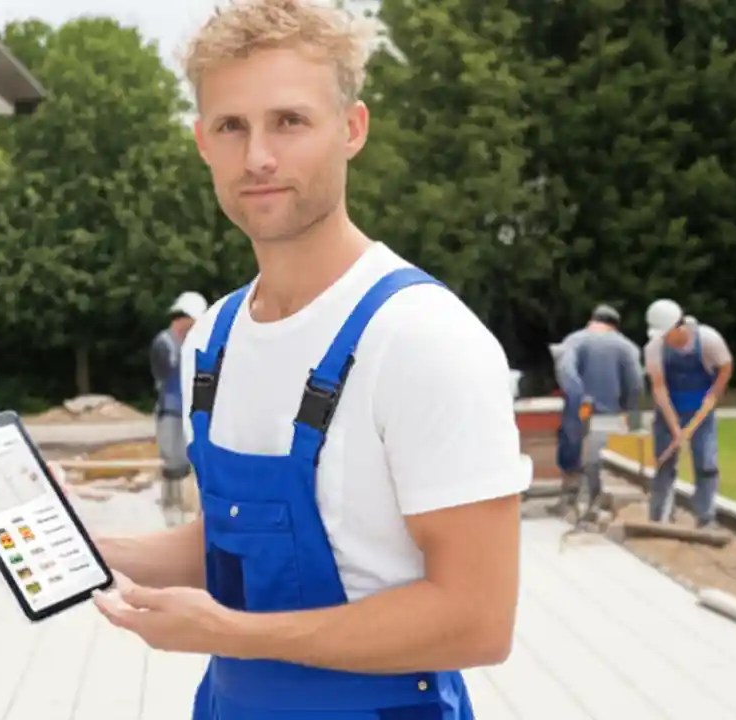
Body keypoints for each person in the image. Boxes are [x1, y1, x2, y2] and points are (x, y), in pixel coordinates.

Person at [90, 2, 529, 717]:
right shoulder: (212, 340)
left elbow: (477, 621)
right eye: (232, 126)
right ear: (202, 141)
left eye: (289, 121)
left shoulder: (423, 340)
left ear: (351, 129)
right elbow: (238, 542)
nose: (258, 156)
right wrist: (91, 551)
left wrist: (232, 633)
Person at [644, 298, 734, 527]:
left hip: (701, 412)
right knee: (664, 465)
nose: (663, 338)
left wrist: (713, 396)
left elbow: (725, 367)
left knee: (706, 464)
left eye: (666, 333)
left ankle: (705, 518)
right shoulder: (654, 347)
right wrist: (675, 427)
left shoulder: (708, 339)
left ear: (679, 326)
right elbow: (659, 387)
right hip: (668, 412)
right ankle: (659, 518)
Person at [552, 304, 644, 517]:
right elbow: (636, 384)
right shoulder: (627, 347)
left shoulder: (574, 340)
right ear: (615, 326)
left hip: (579, 410)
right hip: (609, 414)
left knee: (573, 448)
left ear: (592, 321)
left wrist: (579, 398)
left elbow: (565, 371)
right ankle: (595, 502)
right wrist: (633, 418)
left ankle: (570, 498)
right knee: (599, 459)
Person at [152, 291, 209, 524]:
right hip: (171, 409)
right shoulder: (164, 343)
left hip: (191, 409)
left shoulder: (195, 342)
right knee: (172, 460)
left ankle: (188, 511)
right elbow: (164, 379)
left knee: (190, 461)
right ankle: (171, 511)